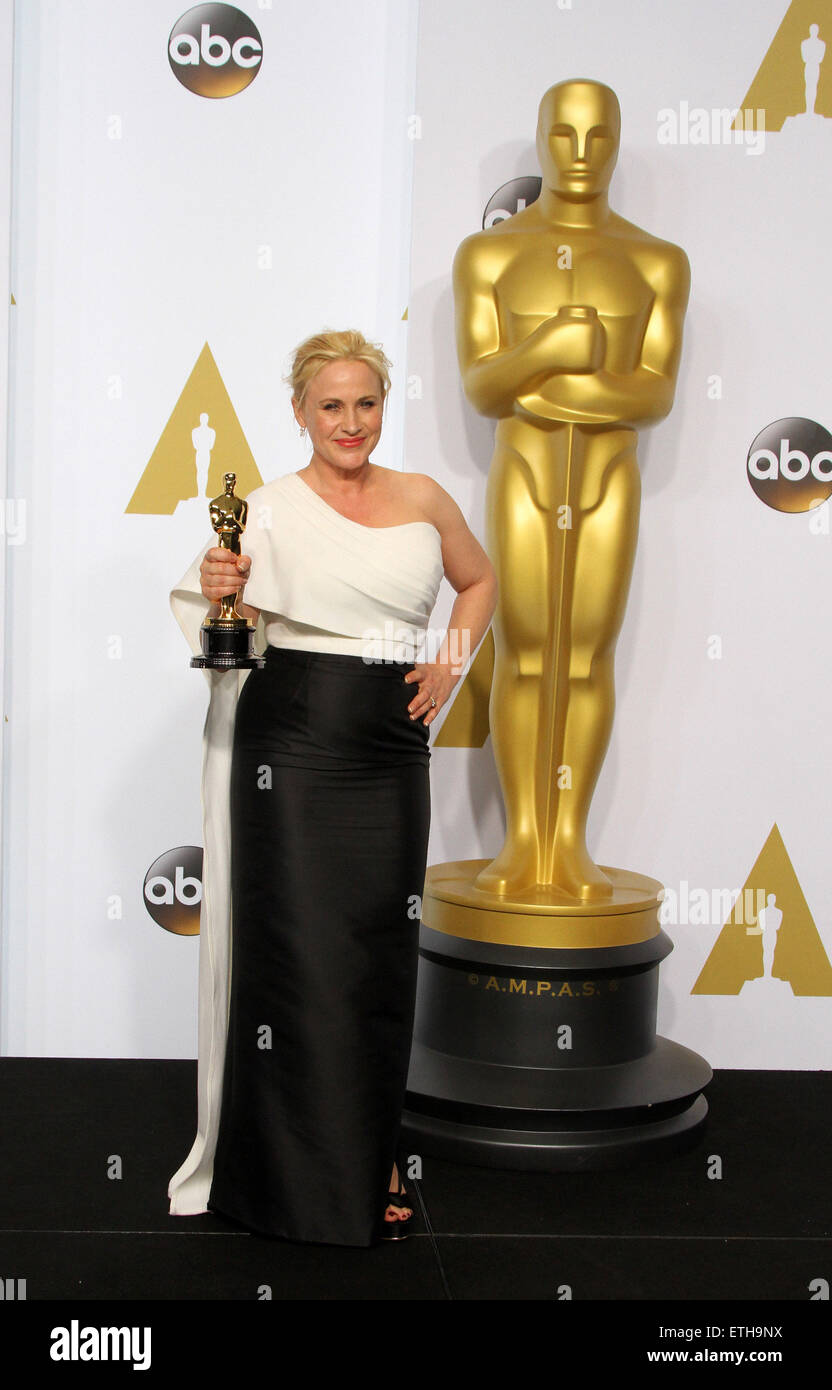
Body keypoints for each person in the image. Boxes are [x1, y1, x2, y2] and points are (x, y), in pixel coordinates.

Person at [167, 329, 497, 1245]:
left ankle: (375, 1154)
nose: (351, 423)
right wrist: (219, 583)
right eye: (331, 406)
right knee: (299, 958)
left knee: (374, 959)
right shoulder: (266, 512)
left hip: (390, 747)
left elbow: (479, 581)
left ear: (383, 406)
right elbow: (225, 616)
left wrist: (450, 661)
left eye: (366, 403)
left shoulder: (425, 497)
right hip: (295, 745)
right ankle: (284, 1172)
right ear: (302, 413)